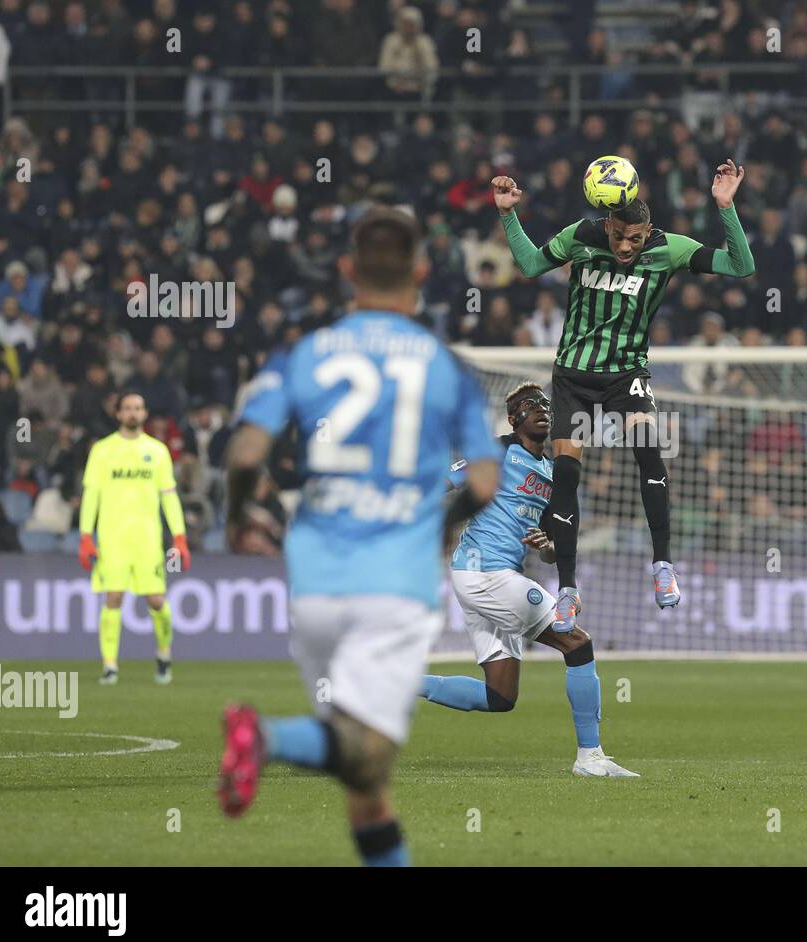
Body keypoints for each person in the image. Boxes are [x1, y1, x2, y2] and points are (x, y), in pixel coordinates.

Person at [217, 207, 501, 867]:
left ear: (346, 271)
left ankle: (275, 741)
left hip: (314, 582)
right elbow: (485, 481)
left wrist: (237, 516)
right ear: (423, 274)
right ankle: (262, 736)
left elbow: (242, 452)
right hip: (393, 584)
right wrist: (442, 524)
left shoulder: (306, 352)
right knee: (367, 752)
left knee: (366, 788)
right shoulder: (444, 366)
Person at [490, 158, 756, 632]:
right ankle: (568, 589)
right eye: (619, 237)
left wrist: (725, 207)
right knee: (566, 474)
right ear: (608, 224)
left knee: (650, 453)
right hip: (572, 374)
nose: (626, 247)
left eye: (635, 239)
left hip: (627, 374)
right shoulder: (582, 236)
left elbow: (741, 265)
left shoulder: (669, 249)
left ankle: (663, 566)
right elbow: (531, 265)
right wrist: (509, 214)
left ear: (648, 230)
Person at [421, 381, 637, 777]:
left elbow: (551, 549)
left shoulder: (553, 474)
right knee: (577, 642)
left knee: (500, 695)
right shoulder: (497, 452)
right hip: (484, 571)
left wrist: (546, 545)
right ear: (513, 418)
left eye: (544, 403)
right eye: (529, 404)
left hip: (489, 576)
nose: (540, 408)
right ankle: (590, 757)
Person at [77, 392, 189, 685]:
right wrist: (86, 536)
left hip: (147, 540)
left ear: (145, 413)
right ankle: (110, 665)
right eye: (127, 408)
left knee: (155, 600)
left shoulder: (158, 451)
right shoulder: (102, 450)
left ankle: (164, 653)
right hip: (112, 539)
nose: (132, 413)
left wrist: (179, 537)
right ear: (118, 414)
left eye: (137, 408)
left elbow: (169, 496)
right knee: (113, 597)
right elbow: (92, 495)